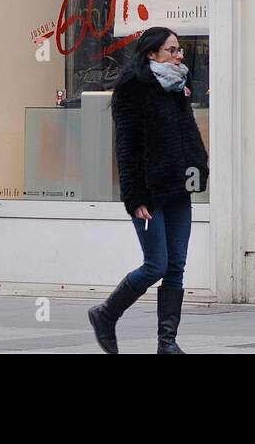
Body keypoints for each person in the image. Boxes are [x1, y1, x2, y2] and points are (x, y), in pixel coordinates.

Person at [88, 27, 209, 354]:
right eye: (172, 50)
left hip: (179, 190)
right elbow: (126, 147)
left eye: (180, 50)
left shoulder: (176, 85)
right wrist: (135, 197)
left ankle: (166, 343)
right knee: (156, 264)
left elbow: (189, 133)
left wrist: (199, 168)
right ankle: (105, 314)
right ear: (151, 54)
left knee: (175, 267)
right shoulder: (132, 90)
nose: (179, 55)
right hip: (150, 194)